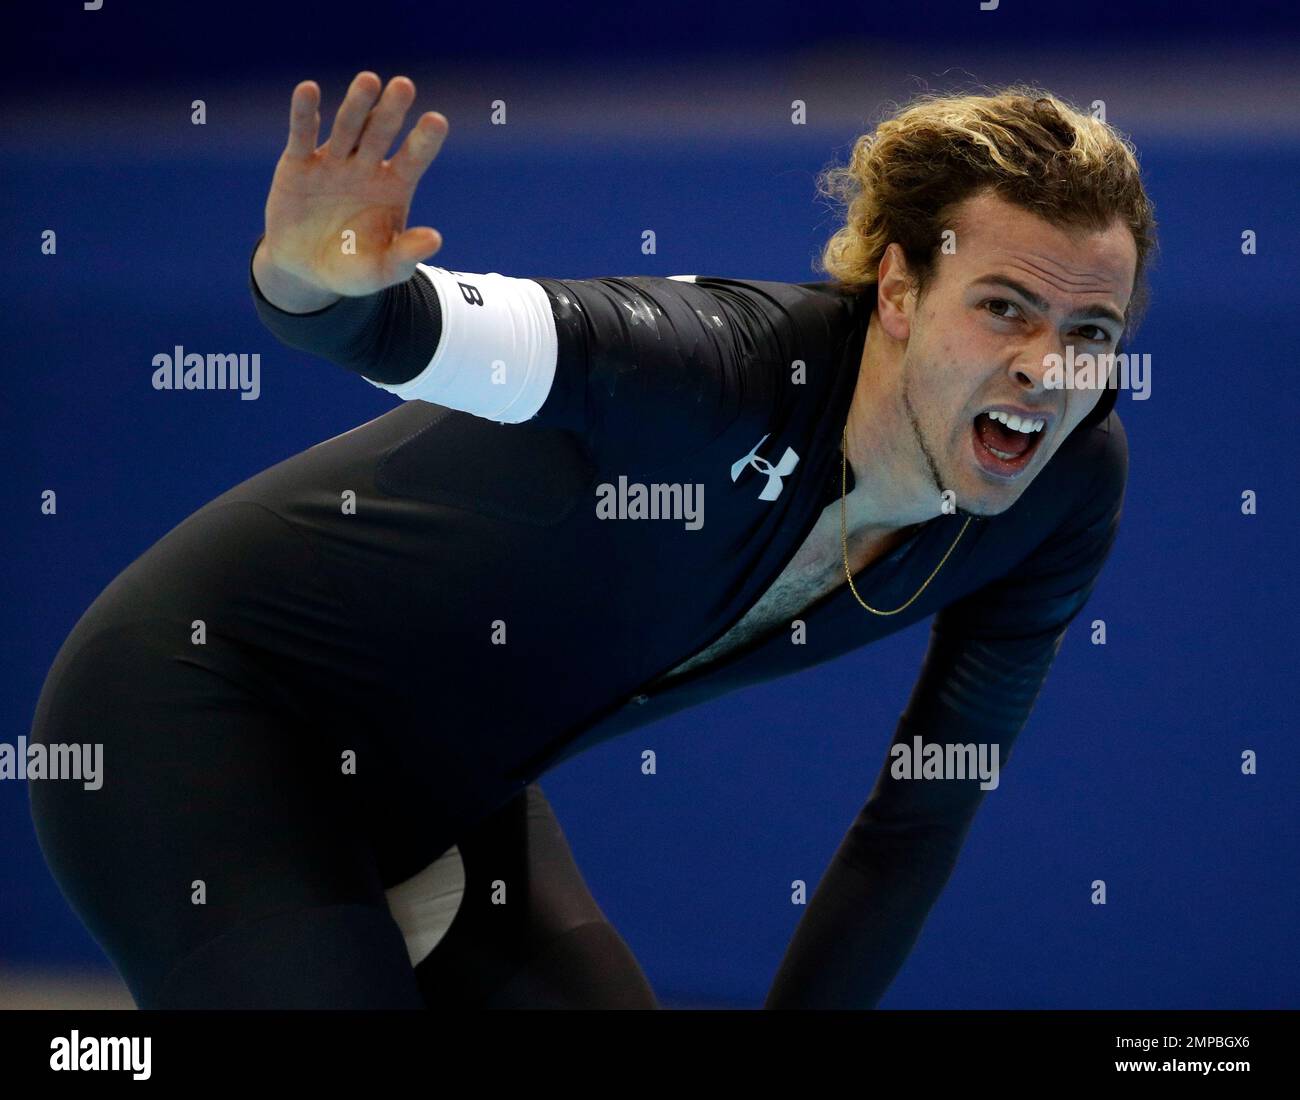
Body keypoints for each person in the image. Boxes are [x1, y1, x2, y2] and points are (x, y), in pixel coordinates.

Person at [28, 73, 1155, 1009]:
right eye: (1004, 306)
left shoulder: (1063, 491)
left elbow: (923, 811)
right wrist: (314, 285)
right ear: (899, 288)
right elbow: (438, 329)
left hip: (446, 784)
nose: (1046, 365)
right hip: (198, 713)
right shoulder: (718, 368)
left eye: (1089, 331)